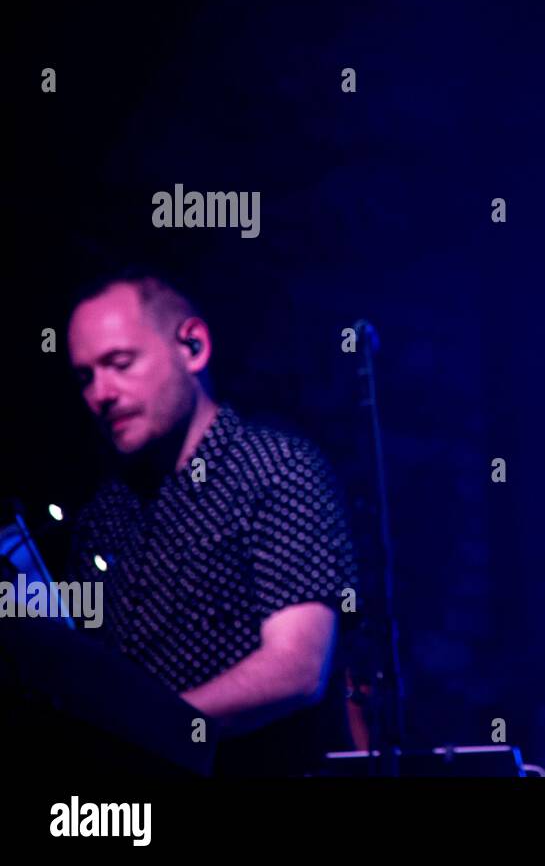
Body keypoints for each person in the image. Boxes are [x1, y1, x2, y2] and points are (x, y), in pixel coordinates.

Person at [64, 269, 356, 775]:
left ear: (193, 346)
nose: (100, 393)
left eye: (119, 363)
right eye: (86, 376)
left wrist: (141, 729)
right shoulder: (104, 514)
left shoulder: (277, 468)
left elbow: (296, 668)